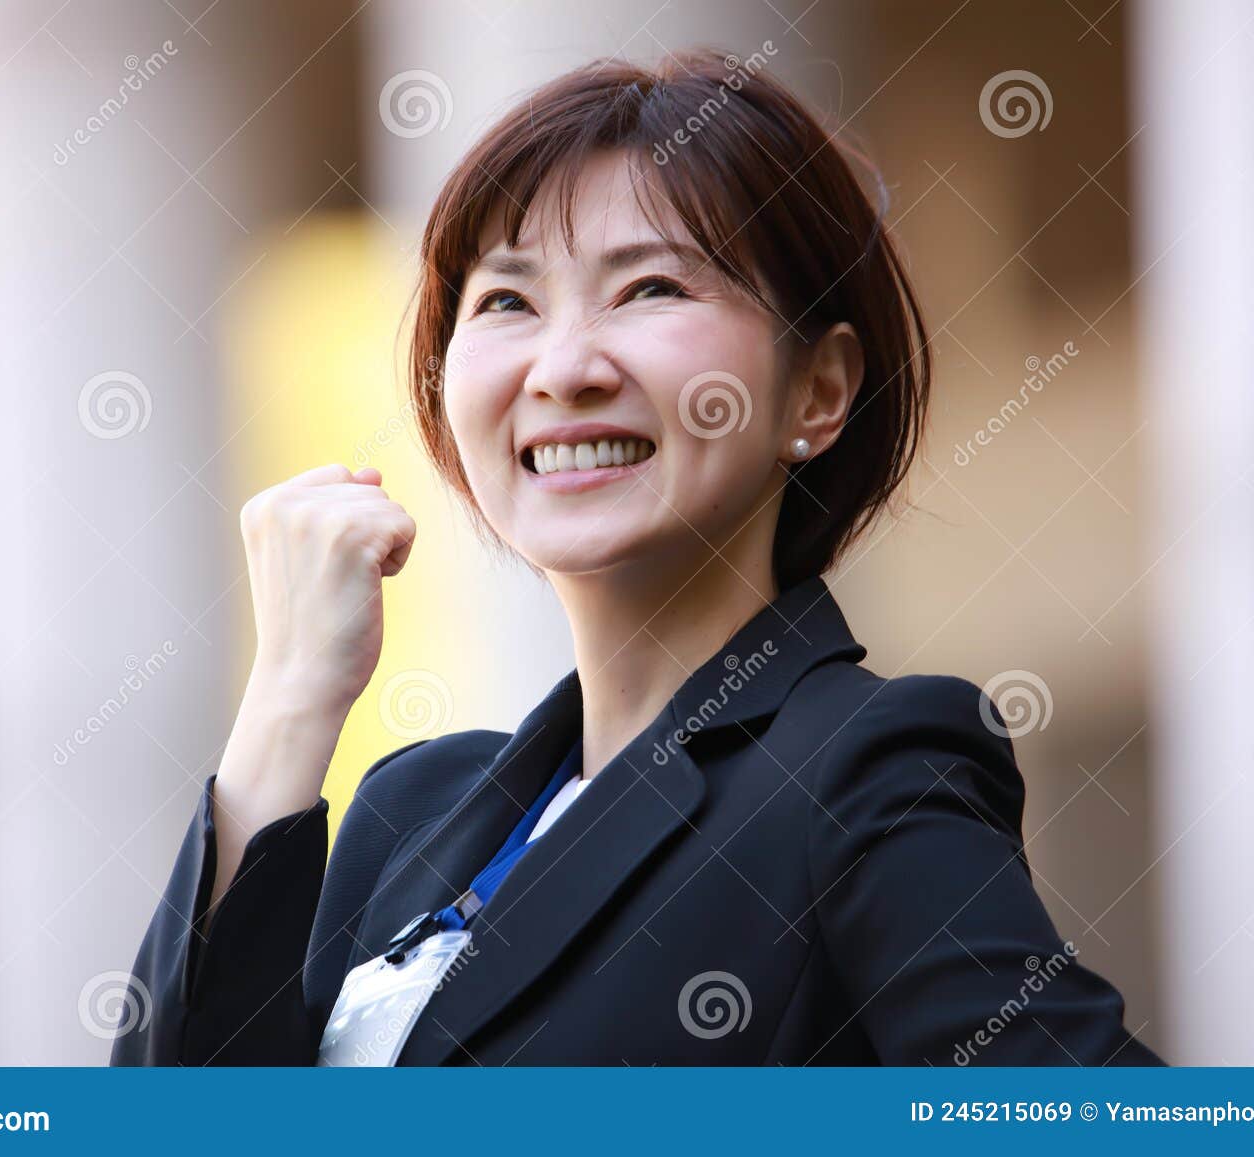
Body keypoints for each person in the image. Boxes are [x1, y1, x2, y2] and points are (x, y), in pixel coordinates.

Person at [111, 47, 1163, 1067]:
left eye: (651, 288)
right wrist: (291, 695)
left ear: (818, 391)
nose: (563, 367)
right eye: (507, 301)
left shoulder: (859, 767)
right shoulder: (412, 809)